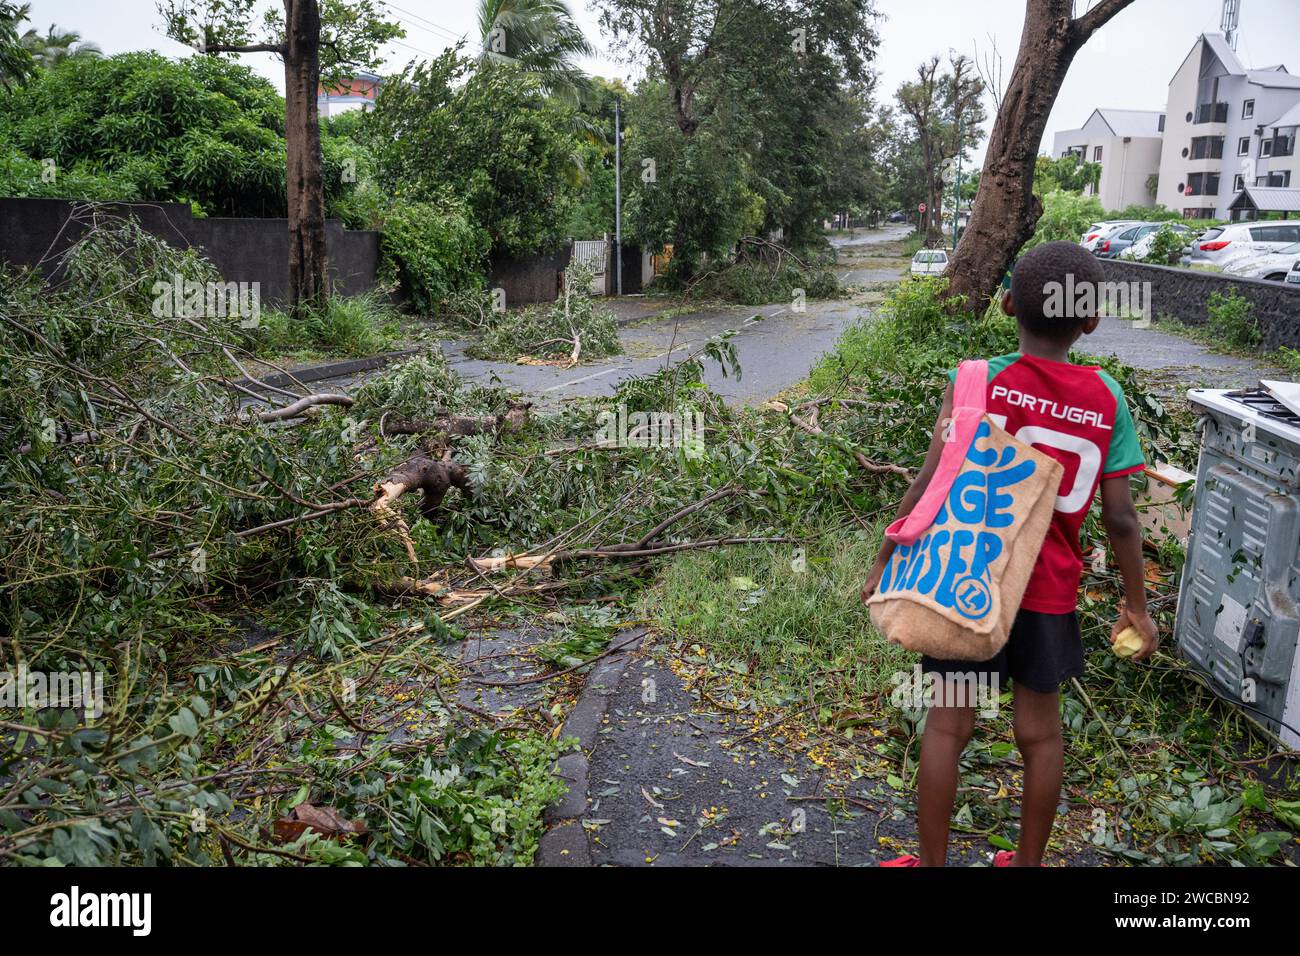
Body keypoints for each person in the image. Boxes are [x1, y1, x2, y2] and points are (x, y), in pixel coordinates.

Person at [861, 241, 1160, 867]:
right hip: (1047, 593)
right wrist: (1137, 605)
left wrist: (888, 552)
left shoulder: (976, 381)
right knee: (1040, 734)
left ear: (1005, 306)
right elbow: (1122, 518)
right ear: (1092, 318)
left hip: (968, 583)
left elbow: (931, 479)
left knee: (948, 727)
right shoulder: (1106, 398)